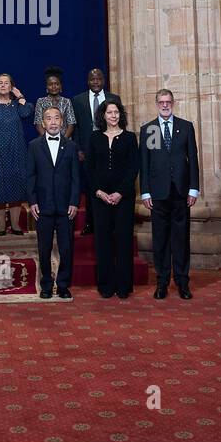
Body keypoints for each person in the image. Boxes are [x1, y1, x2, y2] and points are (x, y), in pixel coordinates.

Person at [139, 89, 200, 300]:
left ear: (173, 103)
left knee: (181, 239)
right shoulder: (149, 130)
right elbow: (145, 164)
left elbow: (193, 160)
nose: (165, 105)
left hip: (181, 193)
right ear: (156, 104)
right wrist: (145, 192)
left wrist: (194, 188)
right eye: (161, 102)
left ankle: (182, 282)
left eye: (168, 102)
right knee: (161, 240)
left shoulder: (185, 127)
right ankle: (162, 282)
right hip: (157, 195)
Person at [26, 106, 81, 299]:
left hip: (66, 207)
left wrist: (75, 201)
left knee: (66, 248)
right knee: (44, 248)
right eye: (49, 118)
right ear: (43, 123)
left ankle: (64, 285)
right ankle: (47, 285)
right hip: (43, 206)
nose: (53, 122)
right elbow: (31, 175)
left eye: (57, 118)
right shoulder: (34, 145)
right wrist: (32, 201)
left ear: (62, 121)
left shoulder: (71, 146)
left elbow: (76, 178)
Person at [86, 99, 138, 299]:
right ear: (103, 115)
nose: (113, 116)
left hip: (123, 198)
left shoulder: (130, 138)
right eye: (109, 112)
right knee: (103, 241)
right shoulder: (94, 138)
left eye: (116, 112)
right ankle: (106, 285)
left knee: (124, 241)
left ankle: (124, 286)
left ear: (120, 115)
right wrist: (98, 192)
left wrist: (120, 193)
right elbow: (89, 169)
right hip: (100, 198)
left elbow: (133, 168)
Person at [0, 72, 31, 236]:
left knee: (16, 187)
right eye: (0, 83)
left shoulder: (17, 105)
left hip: (16, 151)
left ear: (11, 86)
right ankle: (1, 225)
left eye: (6, 83)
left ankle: (15, 225)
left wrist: (20, 96)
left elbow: (26, 113)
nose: (3, 85)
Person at [72, 68, 117, 235]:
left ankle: (110, 223)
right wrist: (78, 148)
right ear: (88, 81)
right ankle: (90, 223)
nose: (96, 82)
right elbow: (75, 128)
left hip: (110, 148)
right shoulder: (78, 100)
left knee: (109, 184)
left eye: (98, 79)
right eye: (92, 79)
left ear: (103, 80)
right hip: (87, 150)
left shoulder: (113, 98)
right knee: (92, 186)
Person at [33, 66, 76, 138]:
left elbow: (71, 123)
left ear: (61, 86)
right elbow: (38, 123)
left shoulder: (67, 101)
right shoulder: (41, 101)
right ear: (46, 87)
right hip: (45, 140)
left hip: (65, 140)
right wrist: (47, 140)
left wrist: (63, 141)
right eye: (50, 84)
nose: (54, 87)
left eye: (56, 84)